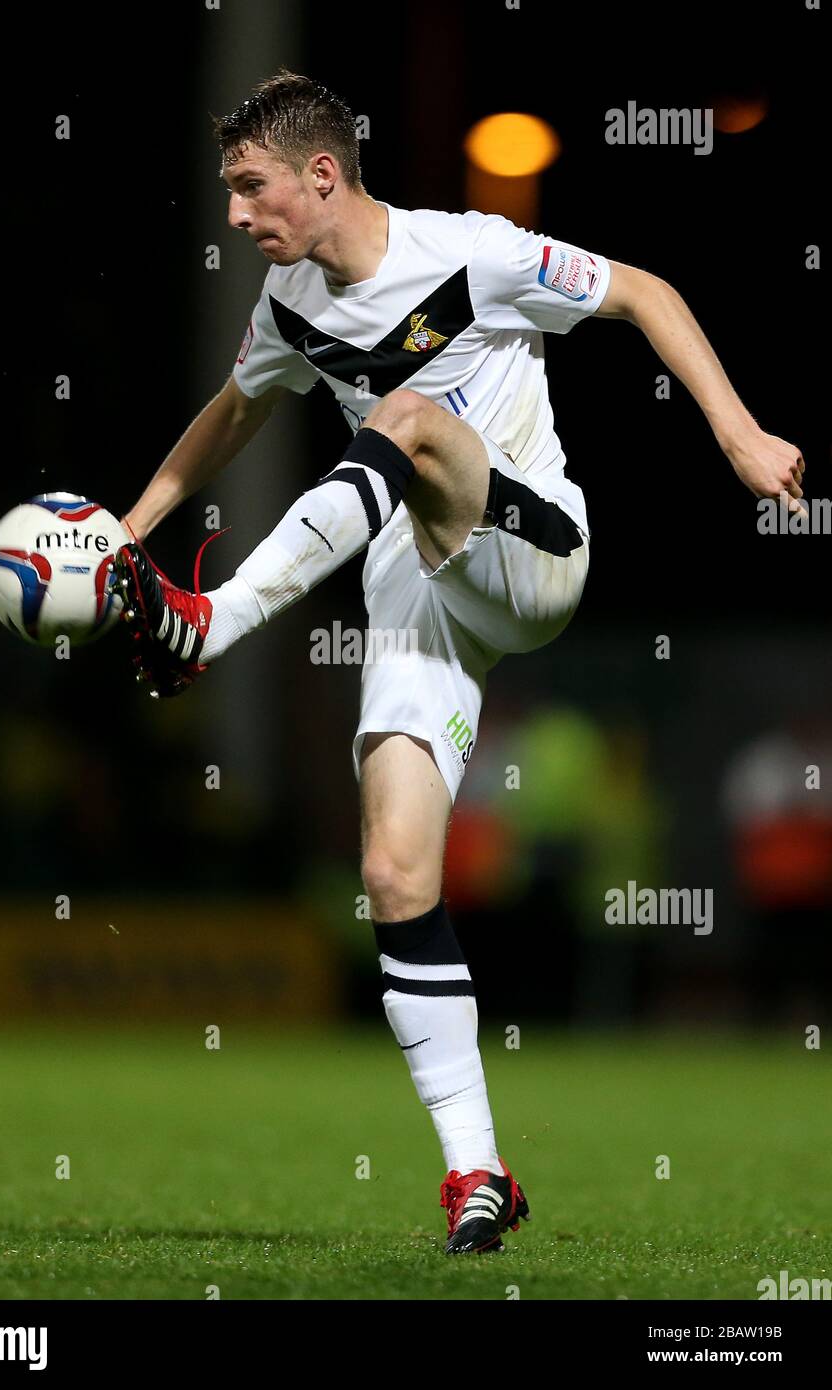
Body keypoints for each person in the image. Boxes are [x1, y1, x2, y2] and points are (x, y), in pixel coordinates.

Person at [114, 70, 805, 1254]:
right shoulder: (289, 300)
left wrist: (740, 435)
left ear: (321, 174)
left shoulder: (470, 253)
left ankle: (217, 623)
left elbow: (642, 290)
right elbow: (235, 410)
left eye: (249, 186)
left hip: (530, 547)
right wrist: (124, 536)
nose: (234, 212)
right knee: (393, 871)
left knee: (409, 421)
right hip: (413, 590)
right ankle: (477, 1173)